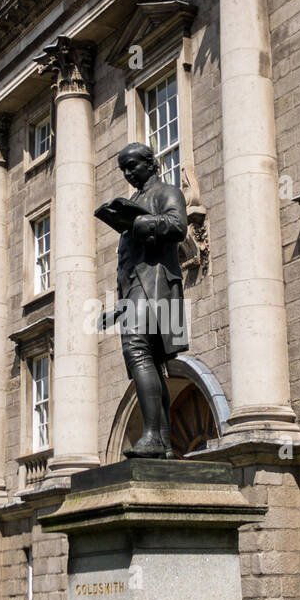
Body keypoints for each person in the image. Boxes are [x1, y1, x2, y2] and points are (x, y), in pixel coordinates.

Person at [95, 143, 189, 457]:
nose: (128, 173)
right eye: (124, 168)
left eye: (133, 165)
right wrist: (117, 309)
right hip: (137, 292)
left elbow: (177, 226)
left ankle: (152, 436)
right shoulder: (135, 199)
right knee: (151, 361)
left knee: (137, 352)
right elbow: (131, 266)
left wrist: (140, 223)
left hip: (159, 287)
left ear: (151, 163)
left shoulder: (166, 191)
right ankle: (161, 443)